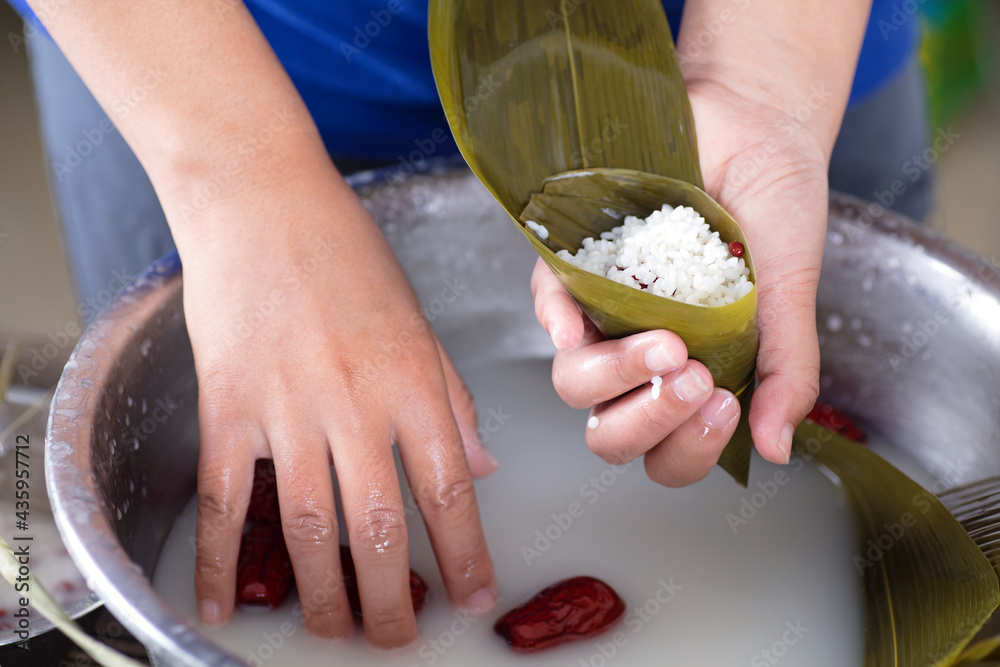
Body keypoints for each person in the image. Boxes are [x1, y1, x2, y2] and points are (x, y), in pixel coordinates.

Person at [10, 0, 928, 649]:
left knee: (773, 387)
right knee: (242, 451)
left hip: (785, 43)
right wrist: (239, 177)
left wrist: (764, 86)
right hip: (177, 63)